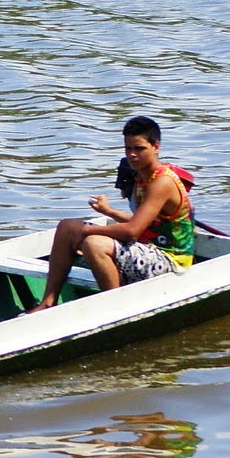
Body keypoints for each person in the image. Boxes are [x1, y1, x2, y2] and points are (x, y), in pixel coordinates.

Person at [26, 116, 195, 313]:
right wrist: (109, 212)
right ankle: (48, 302)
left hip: (170, 259)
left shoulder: (162, 182)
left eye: (139, 149)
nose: (132, 155)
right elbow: (146, 222)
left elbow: (132, 231)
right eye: (128, 149)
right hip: (147, 246)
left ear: (155, 146)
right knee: (67, 227)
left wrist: (88, 231)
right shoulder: (143, 177)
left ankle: (116, 310)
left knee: (93, 243)